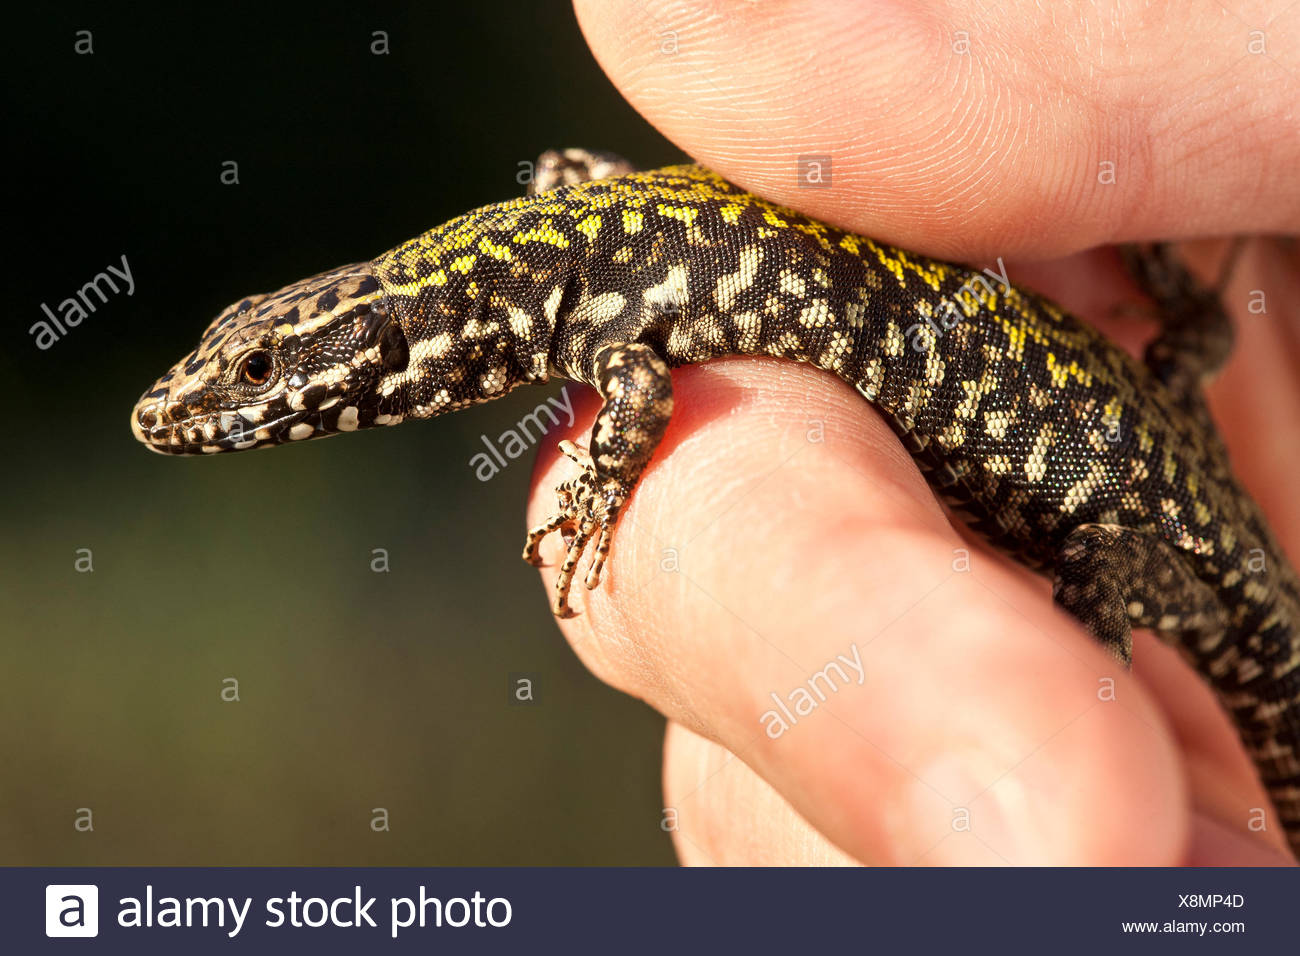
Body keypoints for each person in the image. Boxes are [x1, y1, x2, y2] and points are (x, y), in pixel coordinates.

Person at [527, 0, 1300, 865]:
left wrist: (601, 482)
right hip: (1157, 458)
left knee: (1095, 567)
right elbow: (576, 178)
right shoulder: (573, 248)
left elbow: (638, 387)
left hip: (1203, 568)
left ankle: (1071, 711)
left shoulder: (596, 320)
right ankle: (1071, 732)